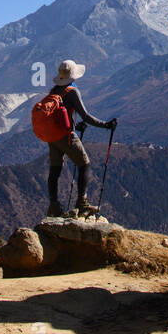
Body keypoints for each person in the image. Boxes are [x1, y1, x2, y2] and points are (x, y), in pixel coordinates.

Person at [45, 60, 116, 218]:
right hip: (65, 136)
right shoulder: (72, 91)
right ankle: (82, 203)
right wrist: (105, 125)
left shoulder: (54, 90)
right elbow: (85, 116)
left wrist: (76, 126)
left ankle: (53, 206)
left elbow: (59, 117)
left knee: (55, 169)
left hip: (52, 136)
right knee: (84, 164)